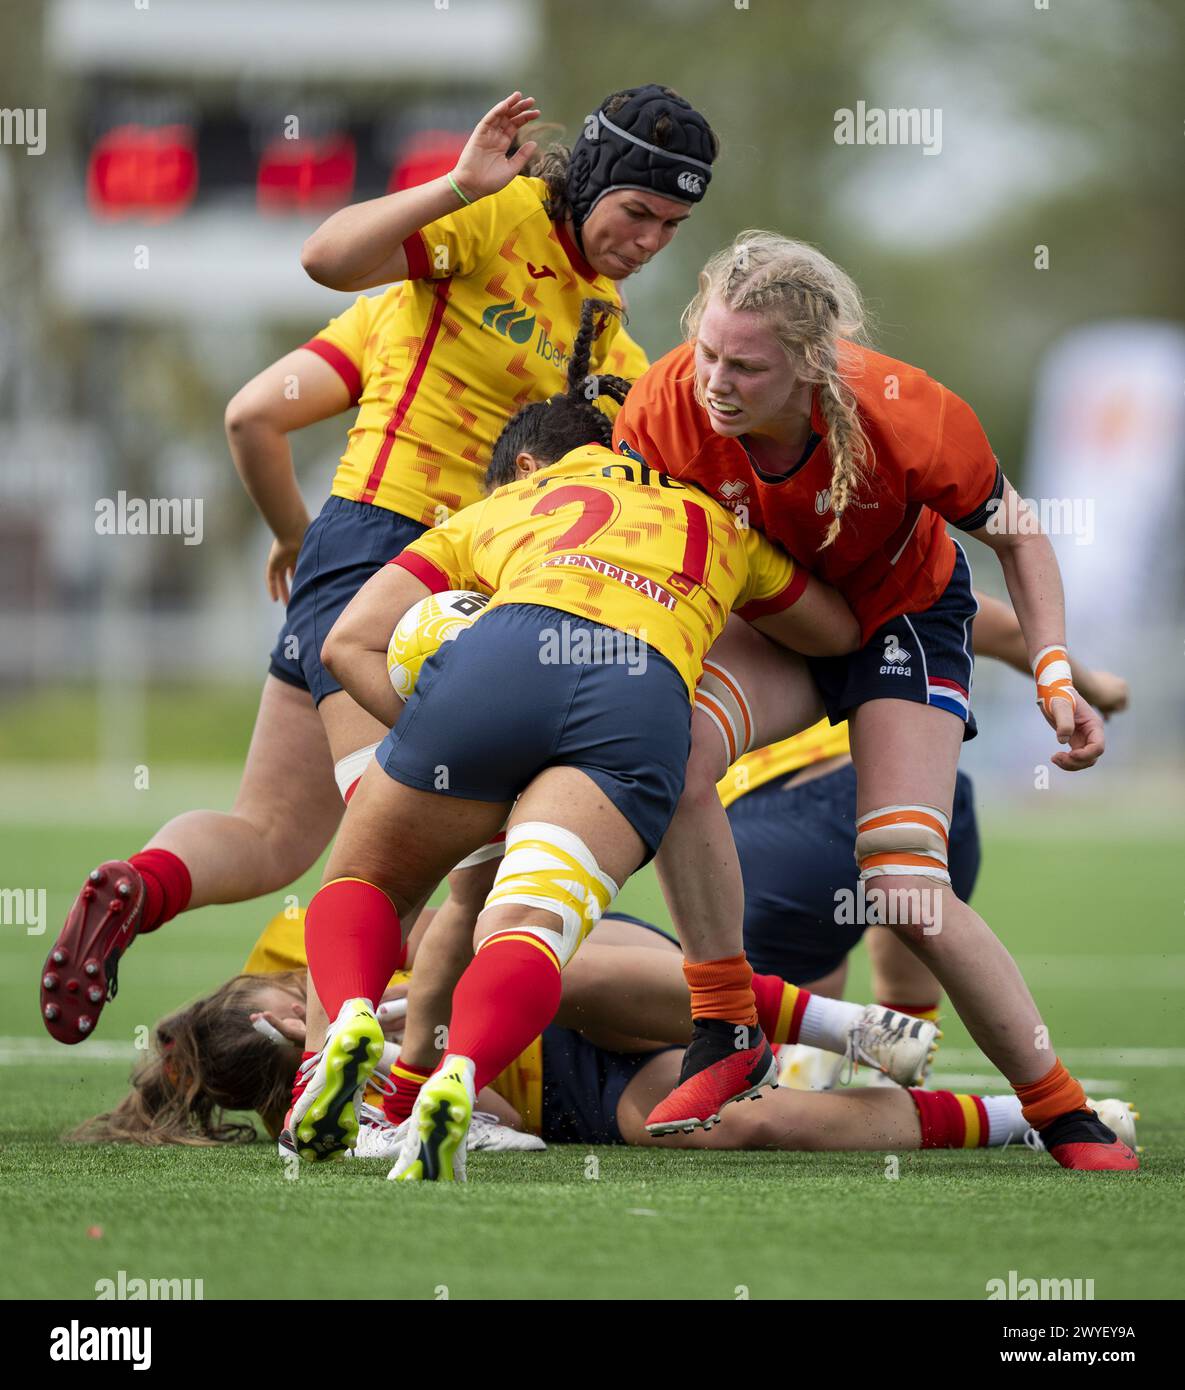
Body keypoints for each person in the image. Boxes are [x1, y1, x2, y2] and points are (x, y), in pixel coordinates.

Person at [40, 84, 714, 1044]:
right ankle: (338, 1079)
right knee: (388, 858)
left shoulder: (605, 329)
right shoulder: (489, 217)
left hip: (357, 563)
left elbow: (251, 416)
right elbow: (323, 258)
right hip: (399, 564)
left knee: (273, 835)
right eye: (636, 211)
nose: (649, 239)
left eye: (671, 225)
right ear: (593, 180)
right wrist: (455, 184)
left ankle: (134, 886)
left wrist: (291, 536)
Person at [290, 297, 859, 1178]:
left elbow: (345, 642)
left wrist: (440, 742)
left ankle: (353, 1023)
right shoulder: (720, 523)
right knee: (528, 931)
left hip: (494, 663)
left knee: (365, 877)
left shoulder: (511, 502)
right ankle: (461, 1072)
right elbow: (834, 632)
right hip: (639, 697)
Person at [611, 230, 1138, 1171]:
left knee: (904, 887)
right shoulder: (662, 404)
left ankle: (1061, 1112)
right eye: (707, 353)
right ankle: (727, 1025)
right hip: (781, 623)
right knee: (673, 751)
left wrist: (1054, 671)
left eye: (747, 366)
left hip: (903, 621)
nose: (715, 383)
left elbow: (1019, 539)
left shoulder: (908, 413)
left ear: (813, 366)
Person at [70, 907, 1138, 1167]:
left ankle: (841, 1022)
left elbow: (461, 900)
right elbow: (486, 1115)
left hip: (586, 977)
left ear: (262, 983)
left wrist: (420, 1008)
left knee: (554, 974)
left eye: (299, 1015)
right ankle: (1014, 1124)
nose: (316, 1030)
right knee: (719, 1129)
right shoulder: (314, 1103)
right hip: (572, 1094)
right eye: (300, 1043)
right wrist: (431, 1079)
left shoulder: (305, 934)